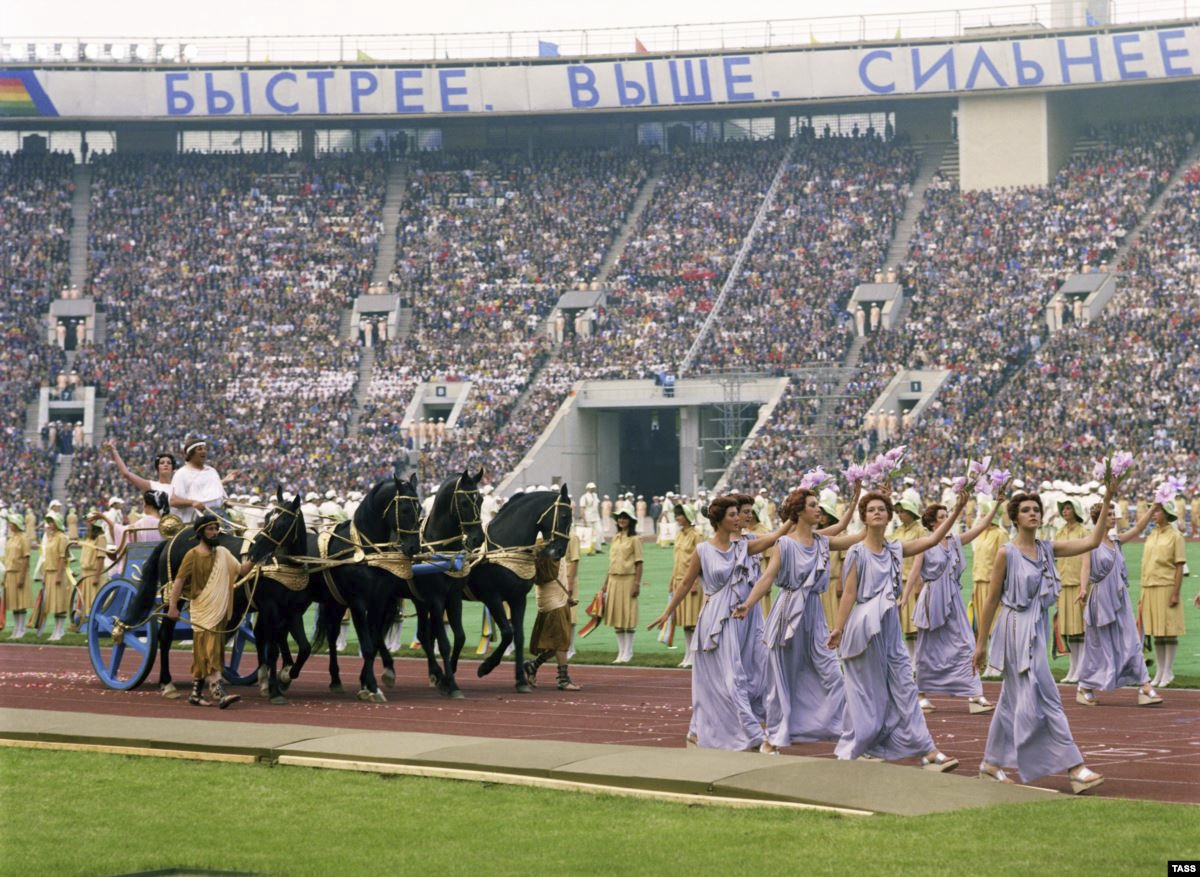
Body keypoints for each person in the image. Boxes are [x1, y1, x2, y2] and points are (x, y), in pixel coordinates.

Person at [973, 482, 1117, 793]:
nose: (1033, 513)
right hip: (1014, 630)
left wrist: (1107, 498)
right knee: (1046, 695)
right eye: (1025, 510)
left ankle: (991, 763)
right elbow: (991, 600)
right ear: (1015, 517)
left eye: (1036, 509)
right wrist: (980, 643)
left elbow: (1093, 540)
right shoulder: (1006, 553)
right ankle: (1075, 767)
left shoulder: (1047, 548)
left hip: (1035, 626)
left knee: (1011, 700)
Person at [827, 489, 966, 770]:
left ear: (889, 516)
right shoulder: (856, 552)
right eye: (872, 509)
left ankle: (927, 749)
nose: (878, 512)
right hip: (866, 630)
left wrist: (958, 509)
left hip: (890, 628)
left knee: (905, 686)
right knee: (869, 693)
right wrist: (838, 629)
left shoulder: (895, 549)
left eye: (882, 509)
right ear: (864, 518)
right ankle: (858, 746)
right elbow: (849, 593)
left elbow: (934, 539)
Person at [647, 495, 788, 751]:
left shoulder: (744, 546)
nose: (739, 519)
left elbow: (773, 538)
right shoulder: (702, 550)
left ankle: (697, 732)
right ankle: (756, 738)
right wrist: (668, 611)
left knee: (742, 676)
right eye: (733, 515)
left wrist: (792, 520)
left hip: (738, 618)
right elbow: (686, 583)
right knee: (727, 678)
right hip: (715, 621)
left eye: (739, 514)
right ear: (719, 520)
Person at [734, 482, 863, 753]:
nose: (819, 510)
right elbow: (767, 578)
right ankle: (773, 737)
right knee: (782, 676)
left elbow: (853, 536)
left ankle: (847, 733)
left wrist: (856, 500)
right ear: (799, 512)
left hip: (814, 615)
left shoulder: (821, 542)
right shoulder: (784, 544)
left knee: (832, 674)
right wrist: (747, 603)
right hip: (787, 613)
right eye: (814, 506)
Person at [902, 486, 1009, 715]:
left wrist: (997, 506)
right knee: (927, 649)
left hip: (953, 598)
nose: (947, 520)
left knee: (967, 644)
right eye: (942, 517)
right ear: (932, 523)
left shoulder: (955, 541)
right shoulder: (926, 543)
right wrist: (905, 596)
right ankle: (921, 693)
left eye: (947, 516)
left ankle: (974, 694)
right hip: (932, 600)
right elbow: (914, 572)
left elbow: (980, 528)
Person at [1076, 500, 1161, 707]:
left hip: (1120, 597)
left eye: (1114, 514)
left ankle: (1144, 684)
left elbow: (1139, 528)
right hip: (1100, 599)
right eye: (1110, 514)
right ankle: (1084, 686)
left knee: (1131, 639)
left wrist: (1152, 508)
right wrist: (1083, 588)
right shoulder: (1090, 542)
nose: (1114, 517)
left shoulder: (1116, 541)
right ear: (1099, 519)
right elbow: (1085, 568)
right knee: (1097, 645)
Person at [166, 512, 255, 708]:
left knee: (204, 651)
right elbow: (179, 581)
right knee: (210, 649)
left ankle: (196, 694)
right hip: (202, 609)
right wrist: (173, 606)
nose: (215, 533)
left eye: (216, 529)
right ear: (200, 532)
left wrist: (257, 558)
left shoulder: (223, 553)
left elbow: (241, 571)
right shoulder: (192, 555)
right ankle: (219, 691)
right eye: (210, 529)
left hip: (219, 610)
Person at [523, 530, 582, 690]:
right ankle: (563, 679)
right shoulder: (542, 543)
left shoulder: (552, 541)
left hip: (556, 595)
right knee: (561, 639)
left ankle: (533, 666)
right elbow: (549, 572)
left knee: (554, 641)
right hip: (552, 597)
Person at [1139, 501, 1187, 688]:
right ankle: (1159, 670)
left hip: (1167, 586)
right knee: (1157, 632)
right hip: (1150, 586)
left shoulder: (1176, 536)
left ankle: (1168, 670)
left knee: (1169, 630)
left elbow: (1179, 566)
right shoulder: (1152, 534)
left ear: (1166, 513)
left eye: (1158, 510)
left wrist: (1175, 593)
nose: (1154, 514)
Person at [1055, 496, 1090, 684]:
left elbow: (1087, 560)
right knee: (1069, 629)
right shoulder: (1059, 533)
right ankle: (1073, 667)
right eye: (1063, 509)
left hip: (1078, 584)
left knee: (1080, 629)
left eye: (1068, 508)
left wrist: (1084, 587)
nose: (1065, 511)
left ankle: (1081, 668)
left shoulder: (1084, 532)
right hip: (1064, 584)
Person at [602, 509, 642, 663]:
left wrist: (637, 583)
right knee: (617, 615)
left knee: (628, 614)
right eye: (620, 517)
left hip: (628, 579)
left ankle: (629, 651)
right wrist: (605, 584)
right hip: (614, 579)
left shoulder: (635, 539)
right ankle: (621, 652)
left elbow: (639, 563)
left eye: (625, 518)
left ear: (630, 521)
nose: (622, 520)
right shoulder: (615, 538)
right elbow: (611, 563)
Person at [169, 436, 240, 524]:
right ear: (190, 454)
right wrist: (192, 502)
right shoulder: (181, 473)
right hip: (194, 523)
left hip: (218, 521)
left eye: (205, 449)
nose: (204, 451)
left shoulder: (211, 471)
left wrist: (225, 502)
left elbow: (217, 494)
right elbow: (173, 501)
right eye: (199, 449)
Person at [668, 503, 703, 667]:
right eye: (676, 515)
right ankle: (687, 654)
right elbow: (677, 560)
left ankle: (695, 655)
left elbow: (701, 560)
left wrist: (695, 581)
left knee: (693, 621)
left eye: (679, 515)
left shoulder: (696, 535)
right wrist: (672, 580)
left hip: (691, 582)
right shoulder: (679, 535)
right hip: (679, 581)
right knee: (684, 621)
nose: (677, 518)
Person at [891, 496, 924, 669]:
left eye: (903, 512)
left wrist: (919, 581)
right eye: (898, 512)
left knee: (914, 624)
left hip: (914, 579)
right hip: (899, 581)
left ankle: (917, 660)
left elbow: (923, 556)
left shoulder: (920, 530)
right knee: (904, 624)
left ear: (911, 512)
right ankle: (910, 659)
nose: (900, 515)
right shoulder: (898, 531)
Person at [40, 511, 75, 641]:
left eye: (52, 521)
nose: (49, 524)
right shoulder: (51, 537)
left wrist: (59, 575)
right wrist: (44, 574)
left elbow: (62, 558)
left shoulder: (62, 537)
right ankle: (56, 629)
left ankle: (60, 630)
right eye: (49, 522)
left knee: (59, 602)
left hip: (57, 572)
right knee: (53, 603)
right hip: (49, 572)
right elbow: (47, 557)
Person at [73, 515, 109, 631]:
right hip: (86, 574)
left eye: (89, 522)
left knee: (95, 602)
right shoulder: (88, 538)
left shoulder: (101, 537)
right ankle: (87, 627)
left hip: (94, 574)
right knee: (86, 602)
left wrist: (97, 576)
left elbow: (100, 557)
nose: (86, 523)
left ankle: (98, 628)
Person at [104, 441, 176, 494]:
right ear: (157, 468)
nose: (165, 464)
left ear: (173, 468)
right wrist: (114, 451)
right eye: (162, 463)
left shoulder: (178, 487)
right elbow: (126, 474)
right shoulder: (152, 485)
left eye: (169, 463)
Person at [4, 513, 32, 639]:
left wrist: (22, 576)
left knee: (21, 602)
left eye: (11, 523)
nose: (10, 525)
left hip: (19, 573)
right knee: (14, 603)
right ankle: (16, 629)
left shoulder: (23, 538)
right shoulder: (10, 538)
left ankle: (21, 628)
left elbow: (26, 558)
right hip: (10, 573)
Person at [579, 484, 603, 551]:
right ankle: (589, 550)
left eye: (594, 488)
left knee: (600, 531)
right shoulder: (584, 497)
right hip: (588, 518)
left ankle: (598, 549)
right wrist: (584, 520)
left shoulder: (595, 495)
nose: (593, 489)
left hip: (596, 517)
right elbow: (582, 509)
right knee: (589, 535)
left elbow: (597, 505)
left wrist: (600, 515)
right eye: (592, 488)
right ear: (588, 488)